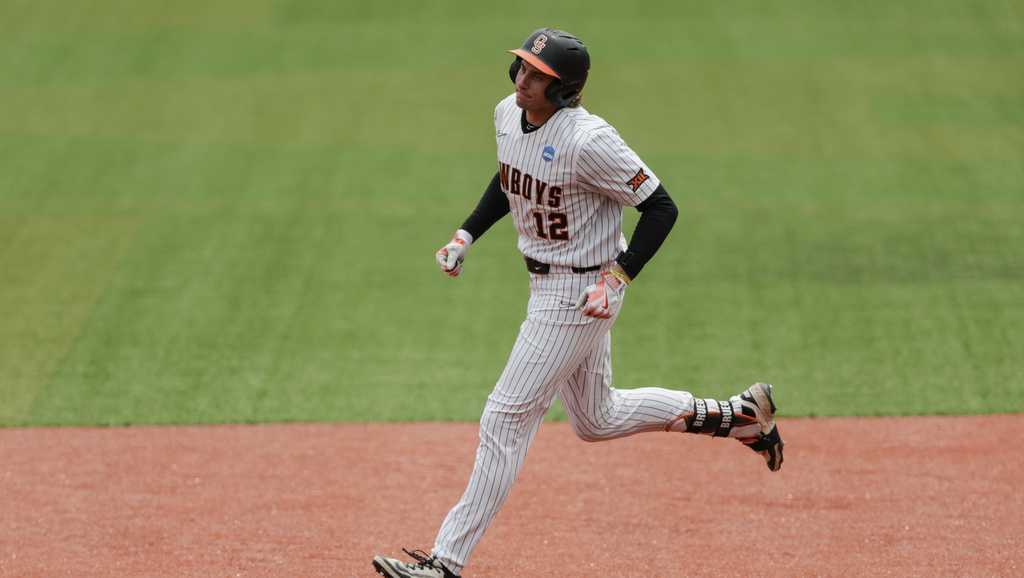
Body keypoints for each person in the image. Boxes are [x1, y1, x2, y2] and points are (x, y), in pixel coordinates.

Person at [372, 27, 784, 578]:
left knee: (504, 419)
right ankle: (739, 417)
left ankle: (446, 562)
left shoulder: (590, 141)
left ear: (563, 88)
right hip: (547, 286)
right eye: (522, 67)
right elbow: (511, 177)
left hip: (581, 294)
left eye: (538, 75)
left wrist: (619, 277)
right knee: (596, 417)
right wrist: (465, 235)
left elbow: (661, 207)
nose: (523, 80)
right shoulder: (506, 114)